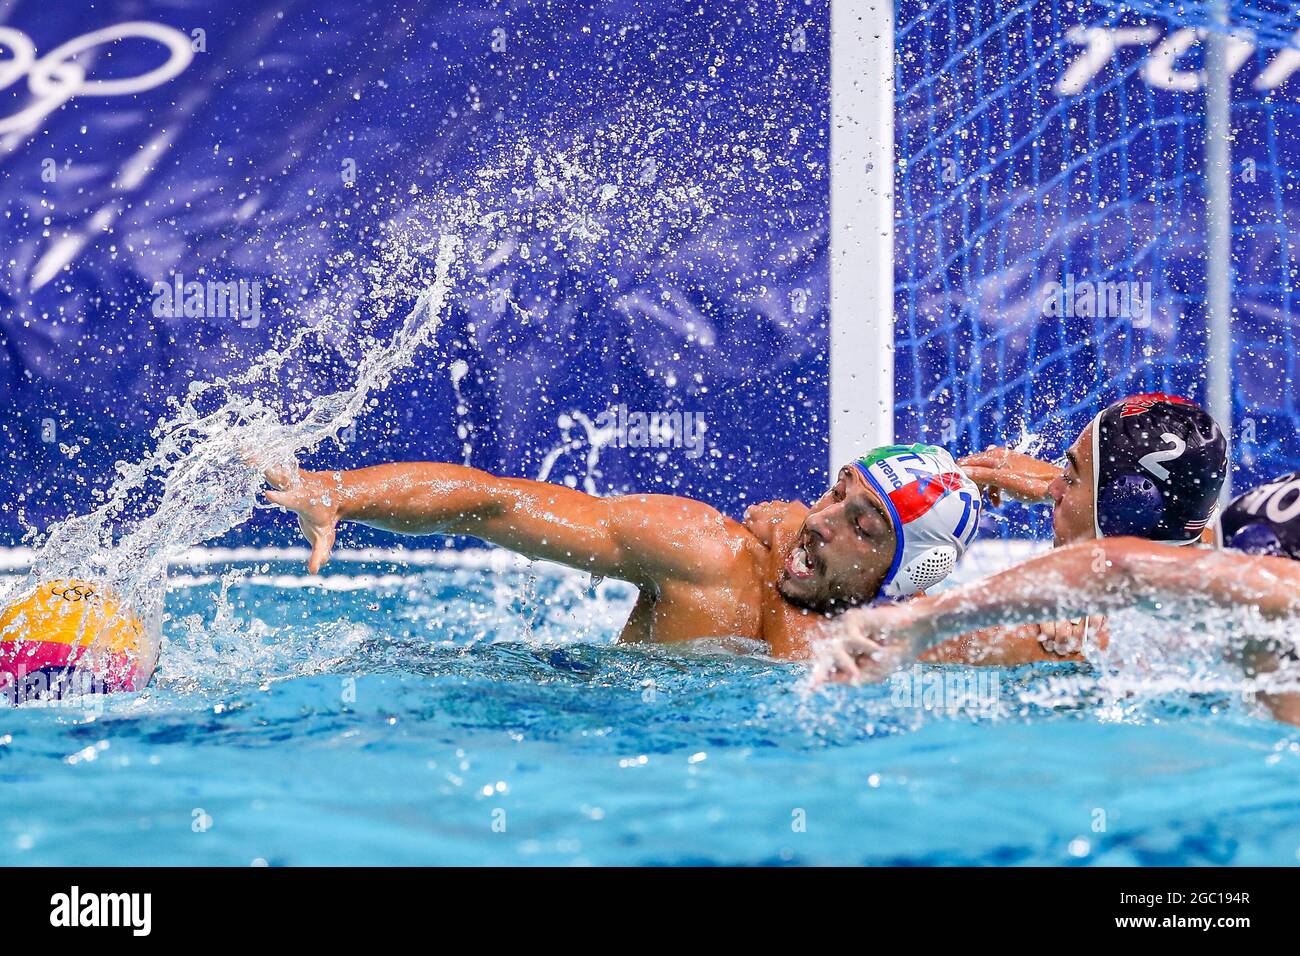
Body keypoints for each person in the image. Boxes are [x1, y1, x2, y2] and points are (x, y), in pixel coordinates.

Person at [262, 443, 982, 659]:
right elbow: (497, 504)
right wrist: (342, 492)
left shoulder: (909, 646)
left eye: (864, 527)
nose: (823, 523)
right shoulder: (710, 554)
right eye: (834, 496)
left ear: (906, 574)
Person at [810, 393, 1259, 679]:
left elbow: (871, 639)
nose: (1056, 487)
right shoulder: (1233, 553)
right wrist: (1051, 485)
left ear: (1117, 510)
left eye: (1071, 474)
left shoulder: (1083, 637)